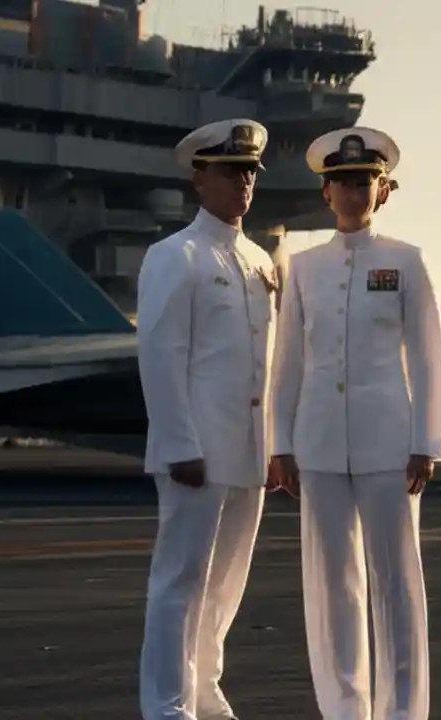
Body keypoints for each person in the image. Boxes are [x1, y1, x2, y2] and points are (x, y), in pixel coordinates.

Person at [269, 127, 441, 720]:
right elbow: (288, 359)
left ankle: (401, 712)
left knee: (396, 586)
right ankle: (345, 710)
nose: (352, 191)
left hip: (389, 445)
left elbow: (428, 355)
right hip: (319, 445)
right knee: (333, 588)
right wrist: (281, 442)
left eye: (363, 181)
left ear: (384, 190)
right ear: (326, 193)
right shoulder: (303, 267)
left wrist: (427, 442)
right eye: (342, 182)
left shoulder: (405, 261)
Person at [137, 118, 280, 720]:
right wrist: (178, 444)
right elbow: (162, 354)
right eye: (230, 170)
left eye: (249, 171)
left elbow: (268, 362)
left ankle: (204, 689)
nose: (243, 181)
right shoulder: (177, 256)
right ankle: (168, 703)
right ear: (200, 179)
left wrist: (275, 445)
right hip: (196, 448)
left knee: (224, 585)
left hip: (247, 449)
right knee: (180, 583)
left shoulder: (257, 260)